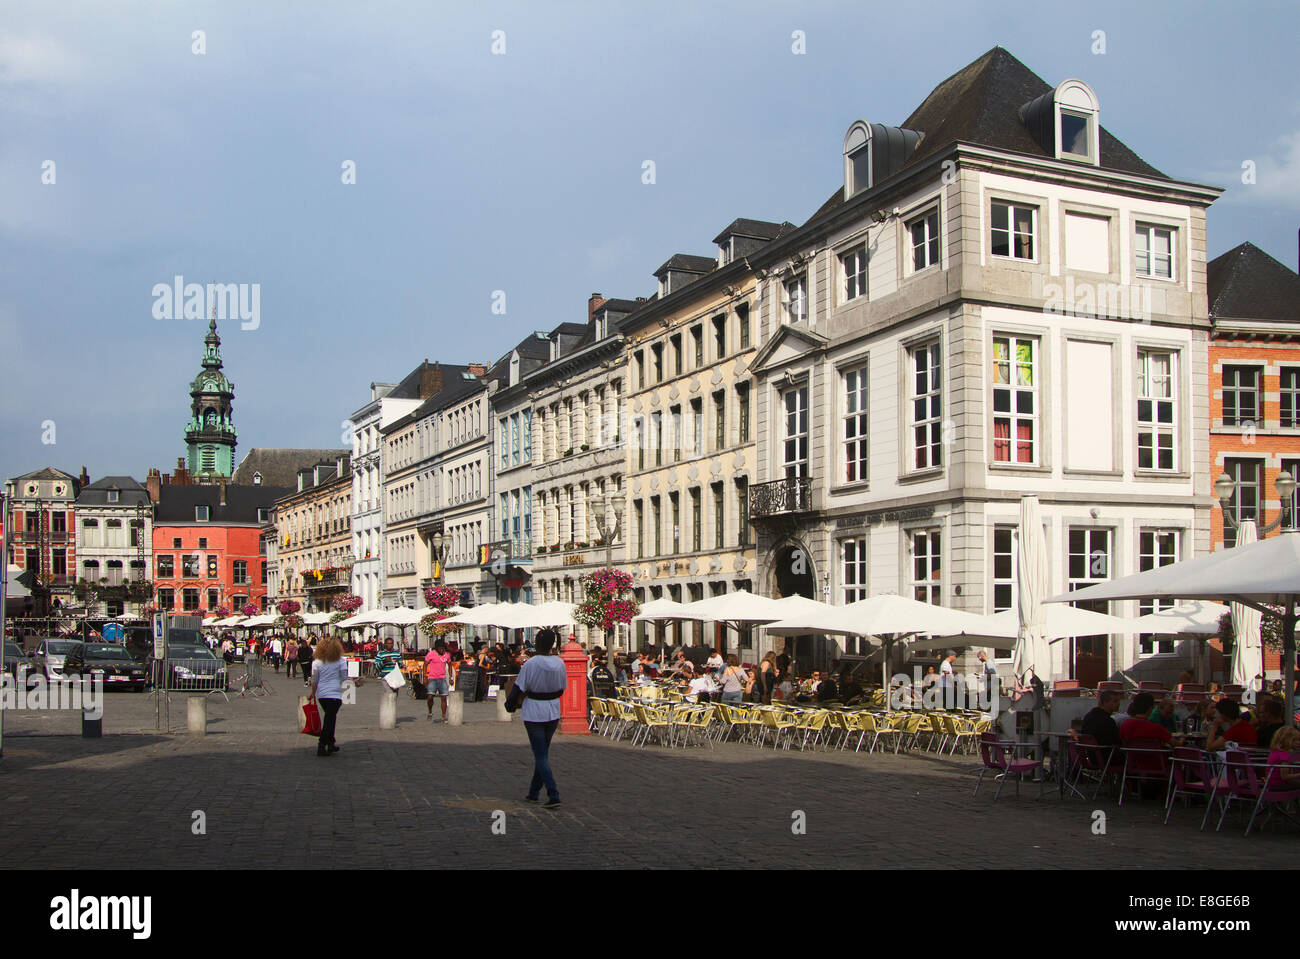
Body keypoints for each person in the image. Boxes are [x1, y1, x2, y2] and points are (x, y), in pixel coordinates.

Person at [515, 628, 567, 808]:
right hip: (552, 710)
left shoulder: (531, 663)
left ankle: (553, 793)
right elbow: (562, 689)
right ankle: (533, 792)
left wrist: (509, 705)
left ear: (537, 643)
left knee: (540, 754)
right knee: (542, 751)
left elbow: (518, 687)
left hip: (534, 711)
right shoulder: (559, 663)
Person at [310, 636, 348, 757]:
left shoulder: (316, 662)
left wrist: (313, 693)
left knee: (330, 717)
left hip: (322, 694)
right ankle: (321, 744)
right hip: (335, 693)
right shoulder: (341, 661)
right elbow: (344, 678)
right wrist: (354, 682)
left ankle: (331, 743)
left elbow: (314, 680)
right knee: (329, 719)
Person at [425, 638, 451, 722]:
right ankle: (430, 711)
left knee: (443, 697)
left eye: (443, 648)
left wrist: (451, 677)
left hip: (442, 678)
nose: (441, 650)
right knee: (430, 697)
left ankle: (443, 716)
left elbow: (450, 665)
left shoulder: (446, 655)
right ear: (436, 648)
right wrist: (425, 677)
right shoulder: (431, 654)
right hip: (432, 678)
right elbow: (425, 664)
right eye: (440, 648)